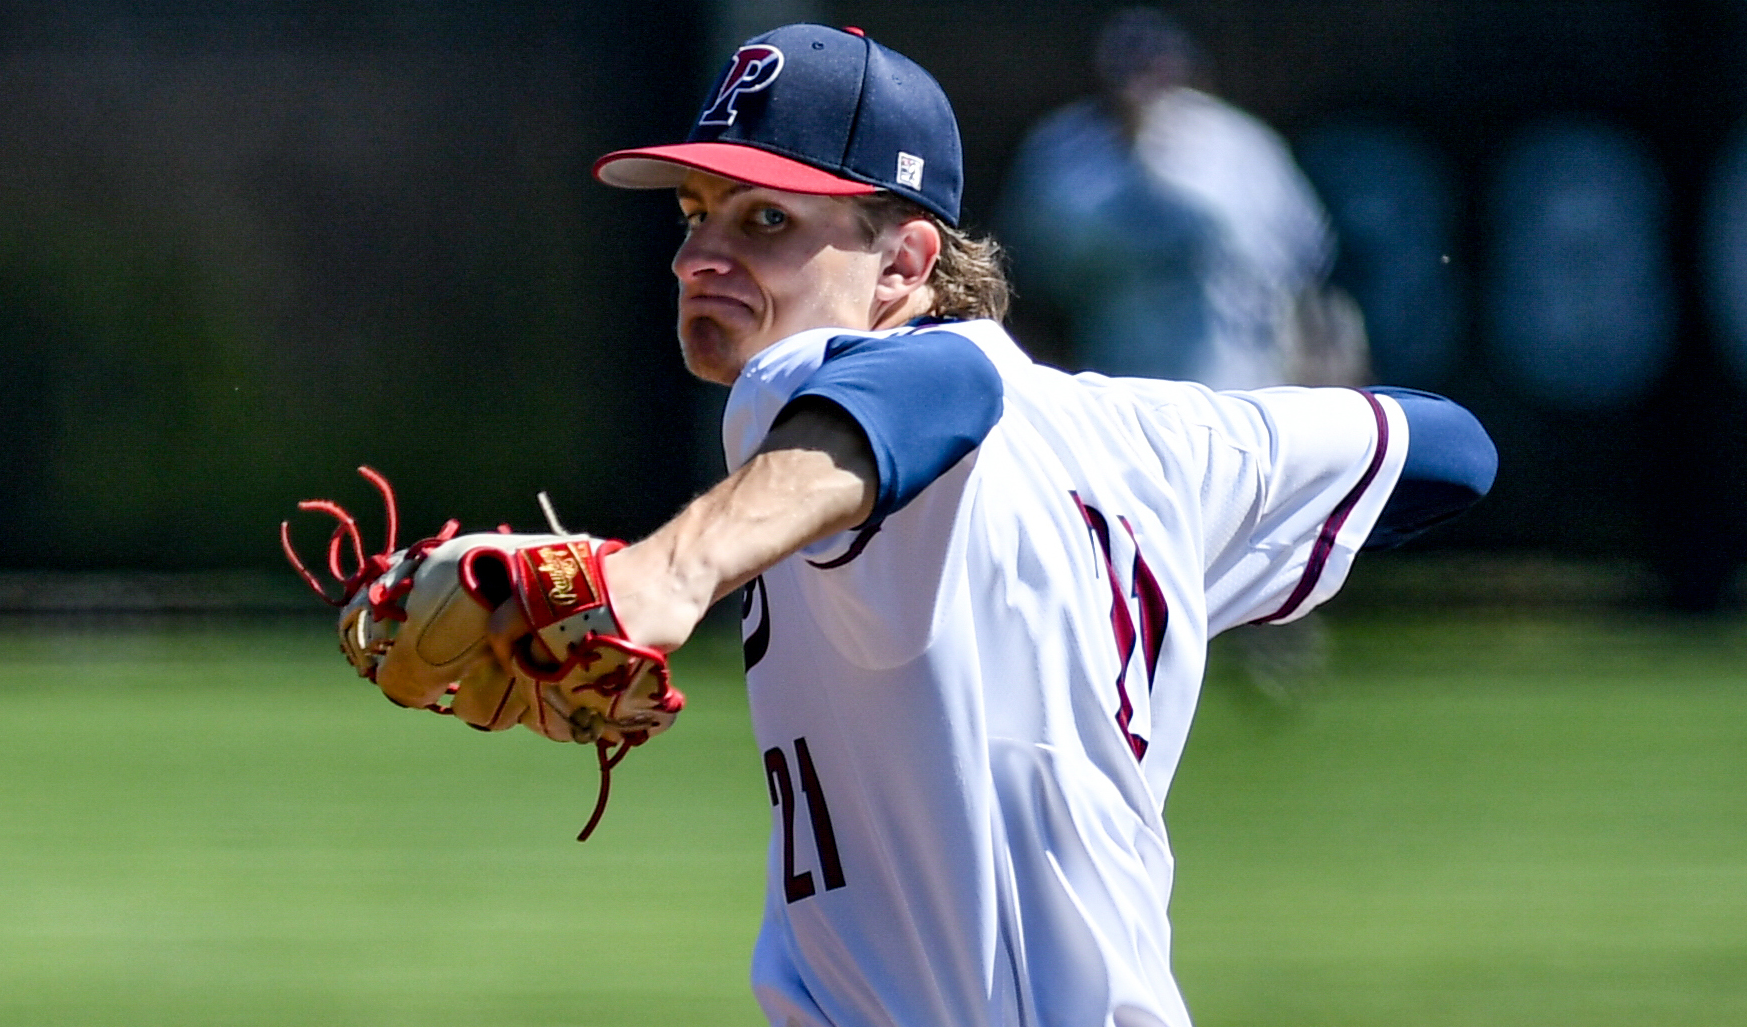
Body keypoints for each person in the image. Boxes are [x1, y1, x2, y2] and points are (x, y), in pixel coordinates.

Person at [490, 23, 1495, 1027]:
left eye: (762, 222)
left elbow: (937, 376)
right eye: (694, 214)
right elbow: (1449, 448)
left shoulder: (806, 381)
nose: (696, 259)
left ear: (905, 263)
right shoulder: (1151, 441)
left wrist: (664, 572)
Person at [997, 7, 1364, 391]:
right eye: (1128, 72)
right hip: (1118, 381)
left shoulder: (1237, 144)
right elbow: (1035, 269)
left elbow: (1305, 261)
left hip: (1236, 381)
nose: (1140, 88)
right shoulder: (1067, 151)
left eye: (1153, 68)